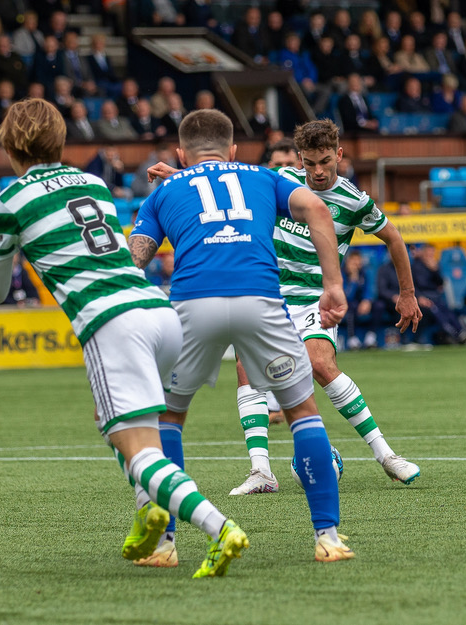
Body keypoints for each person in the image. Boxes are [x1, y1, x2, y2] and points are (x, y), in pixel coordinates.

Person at [0, 100, 247, 578]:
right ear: (61, 141)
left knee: (138, 448)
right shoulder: (92, 183)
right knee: (112, 421)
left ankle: (220, 529)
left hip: (110, 322)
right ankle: (150, 510)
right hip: (158, 310)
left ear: (10, 146)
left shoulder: (6, 203)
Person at [130, 109, 355, 566]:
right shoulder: (264, 176)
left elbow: (137, 258)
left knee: (168, 419)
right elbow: (316, 207)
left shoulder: (165, 189)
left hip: (193, 305)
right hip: (261, 301)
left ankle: (165, 545)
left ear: (180, 154)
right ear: (233, 151)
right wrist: (333, 285)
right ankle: (328, 537)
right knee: (302, 412)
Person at [211, 120, 423, 495]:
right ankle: (261, 472)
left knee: (320, 364)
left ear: (339, 154)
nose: (318, 172)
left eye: (325, 161)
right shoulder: (281, 182)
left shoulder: (354, 200)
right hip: (269, 295)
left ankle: (387, 456)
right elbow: (223, 181)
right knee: (247, 369)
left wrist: (407, 293)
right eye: (310, 164)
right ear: (300, 160)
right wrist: (179, 174)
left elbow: (393, 237)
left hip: (315, 299)